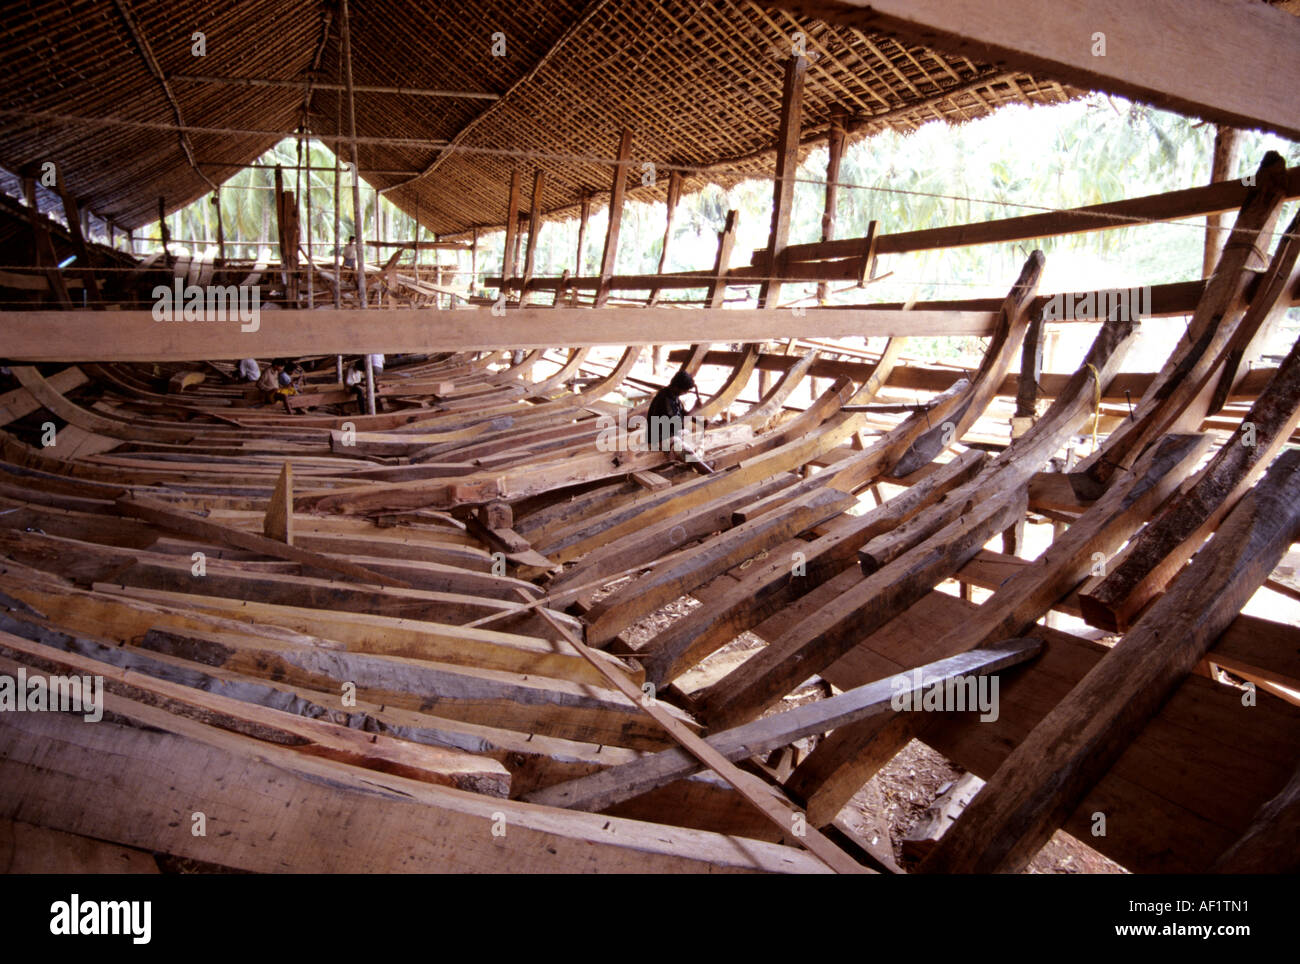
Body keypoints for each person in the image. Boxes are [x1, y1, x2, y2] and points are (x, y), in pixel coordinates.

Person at [647, 369, 710, 469]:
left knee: (697, 438)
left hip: (670, 432)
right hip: (659, 436)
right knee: (685, 451)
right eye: (685, 390)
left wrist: (699, 422)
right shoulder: (665, 399)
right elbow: (678, 424)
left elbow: (683, 414)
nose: (685, 393)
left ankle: (693, 463)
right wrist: (695, 408)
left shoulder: (672, 396)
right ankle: (706, 471)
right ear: (677, 386)